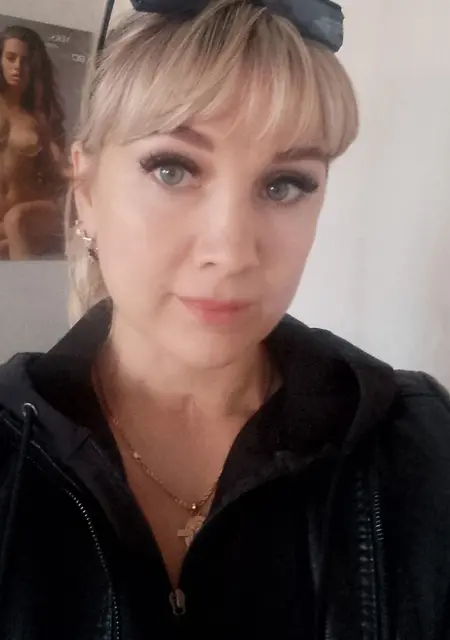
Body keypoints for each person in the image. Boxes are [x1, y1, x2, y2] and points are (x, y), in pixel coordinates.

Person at [0, 0, 449, 637]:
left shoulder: (416, 444)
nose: (233, 251)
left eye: (284, 184)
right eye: (173, 169)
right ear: (87, 189)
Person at [0, 25, 67, 260]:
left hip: (27, 215)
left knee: (15, 221)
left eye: (26, 61)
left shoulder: (39, 117)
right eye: (10, 58)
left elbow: (60, 172)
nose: (17, 66)